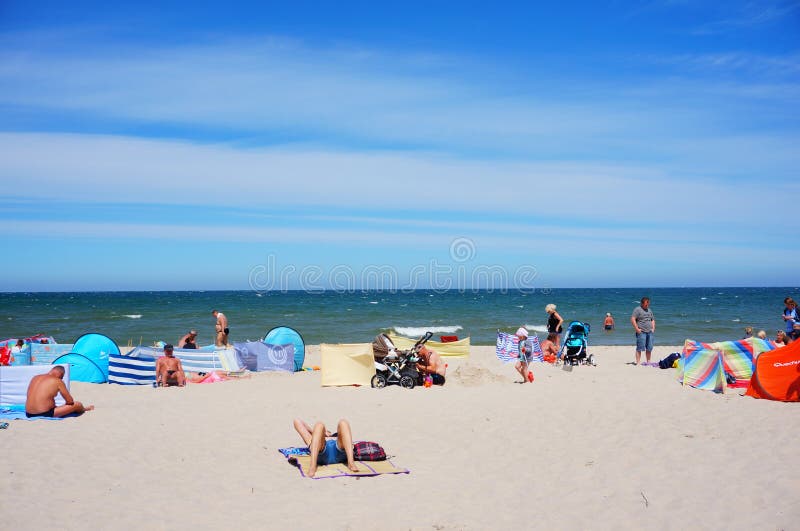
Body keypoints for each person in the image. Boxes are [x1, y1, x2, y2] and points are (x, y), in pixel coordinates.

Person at [293, 418, 359, 478]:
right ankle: (313, 466)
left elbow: (345, 436)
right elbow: (297, 421)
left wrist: (323, 434)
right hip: (320, 451)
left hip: (339, 450)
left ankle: (351, 463)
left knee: (343, 422)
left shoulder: (337, 439)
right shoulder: (313, 440)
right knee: (319, 425)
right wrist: (316, 433)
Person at [25, 366, 94, 418]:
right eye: (62, 377)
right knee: (77, 404)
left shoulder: (35, 377)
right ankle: (84, 409)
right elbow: (70, 401)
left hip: (28, 413)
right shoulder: (58, 381)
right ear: (61, 374)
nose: (62, 378)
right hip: (45, 413)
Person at [631, 297, 655, 366]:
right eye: (646, 305)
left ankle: (648, 362)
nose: (647, 306)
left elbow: (652, 320)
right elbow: (632, 319)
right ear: (642, 303)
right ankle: (638, 362)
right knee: (639, 347)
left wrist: (653, 328)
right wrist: (637, 329)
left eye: (648, 304)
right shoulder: (637, 310)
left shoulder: (649, 310)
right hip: (642, 332)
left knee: (649, 348)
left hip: (650, 332)